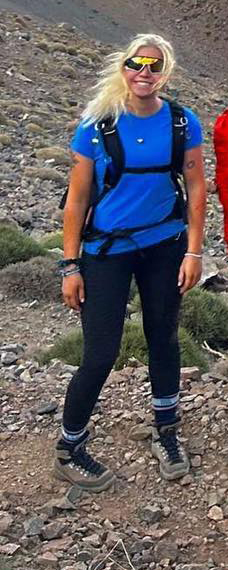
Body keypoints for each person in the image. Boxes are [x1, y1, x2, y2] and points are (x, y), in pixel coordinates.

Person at [56, 34, 206, 490]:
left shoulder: (182, 123)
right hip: (106, 252)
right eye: (135, 63)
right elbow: (77, 199)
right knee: (101, 352)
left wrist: (195, 251)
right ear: (123, 68)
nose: (144, 71)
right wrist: (70, 265)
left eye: (154, 65)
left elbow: (198, 187)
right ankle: (69, 446)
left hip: (165, 245)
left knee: (164, 337)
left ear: (166, 73)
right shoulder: (98, 125)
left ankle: (166, 430)